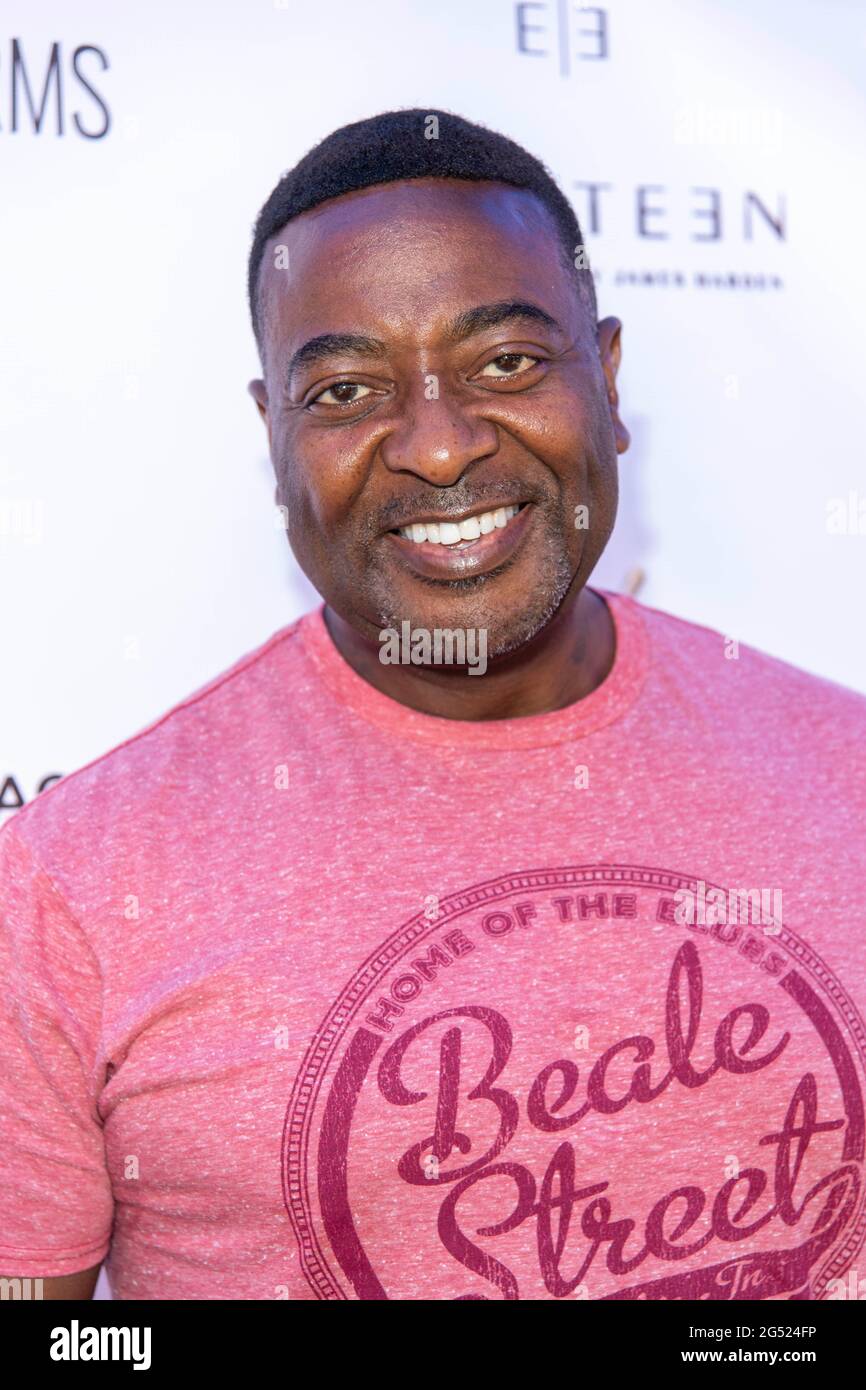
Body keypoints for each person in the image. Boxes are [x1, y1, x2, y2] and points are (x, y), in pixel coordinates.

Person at [1, 108, 864, 1303]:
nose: (442, 448)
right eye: (348, 389)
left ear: (604, 380)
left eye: (505, 363)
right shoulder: (66, 886)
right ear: (275, 438)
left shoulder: (846, 768)